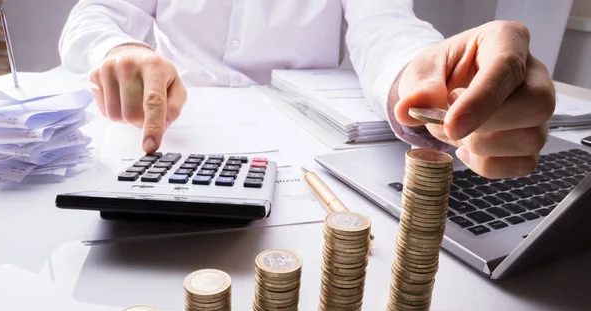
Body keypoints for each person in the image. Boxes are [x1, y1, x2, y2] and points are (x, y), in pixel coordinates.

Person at [59, 0, 555, 179]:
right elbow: (92, 16)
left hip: (305, 153)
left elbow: (384, 27)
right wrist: (118, 49)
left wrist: (430, 78)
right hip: (174, 136)